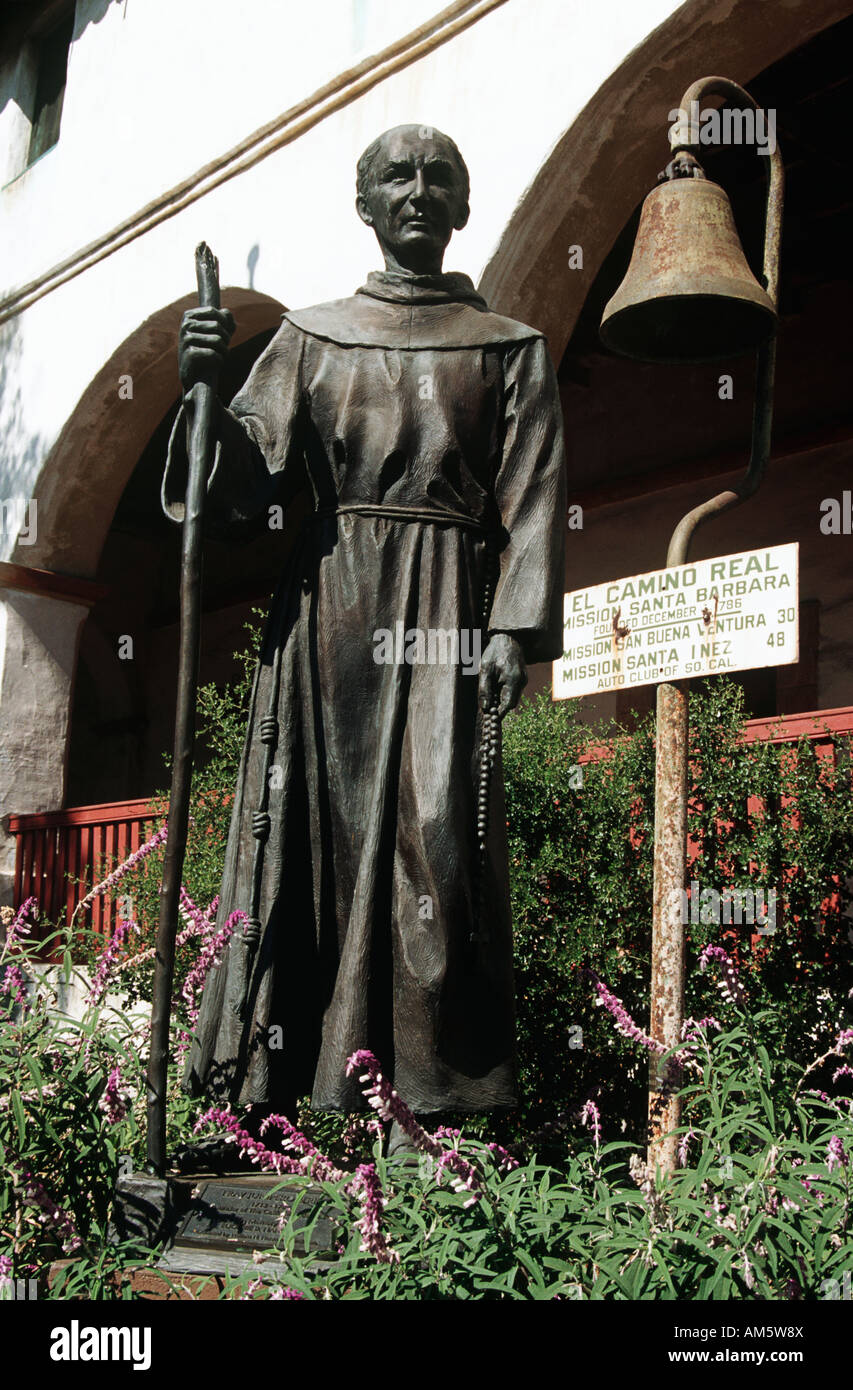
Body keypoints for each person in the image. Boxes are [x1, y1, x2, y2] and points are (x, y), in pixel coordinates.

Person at [166, 124, 566, 1131]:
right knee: (309, 838)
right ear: (367, 204)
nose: (419, 190)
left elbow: (530, 499)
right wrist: (202, 393)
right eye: (397, 175)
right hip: (330, 610)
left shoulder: (509, 348)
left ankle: (437, 1102)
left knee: (438, 840)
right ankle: (286, 1094)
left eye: (440, 176)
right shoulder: (309, 335)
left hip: (446, 607)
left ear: (462, 204)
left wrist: (512, 631)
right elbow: (242, 478)